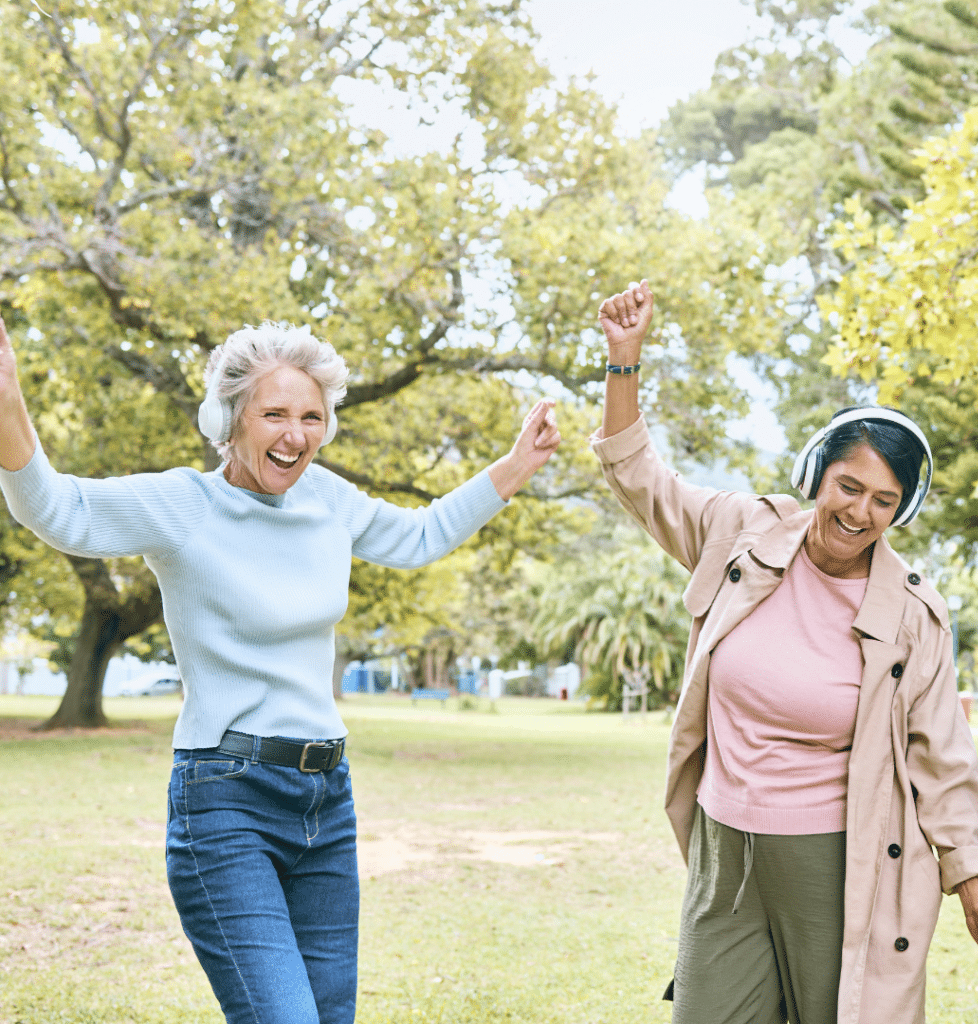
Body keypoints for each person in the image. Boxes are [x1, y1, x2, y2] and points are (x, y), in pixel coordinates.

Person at [0, 317, 560, 1024]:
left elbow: (419, 537)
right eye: (274, 414)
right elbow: (55, 510)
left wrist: (515, 465)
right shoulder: (183, 506)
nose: (295, 435)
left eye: (311, 417)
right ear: (226, 419)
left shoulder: (327, 499)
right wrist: (8, 396)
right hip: (225, 802)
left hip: (327, 799)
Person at [591, 280, 978, 1024]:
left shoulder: (913, 615)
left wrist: (975, 892)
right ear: (818, 473)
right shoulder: (739, 536)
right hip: (723, 851)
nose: (859, 511)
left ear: (901, 511)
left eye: (883, 501)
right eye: (848, 486)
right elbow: (639, 478)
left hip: (836, 864)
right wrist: (624, 362)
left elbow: (943, 759)